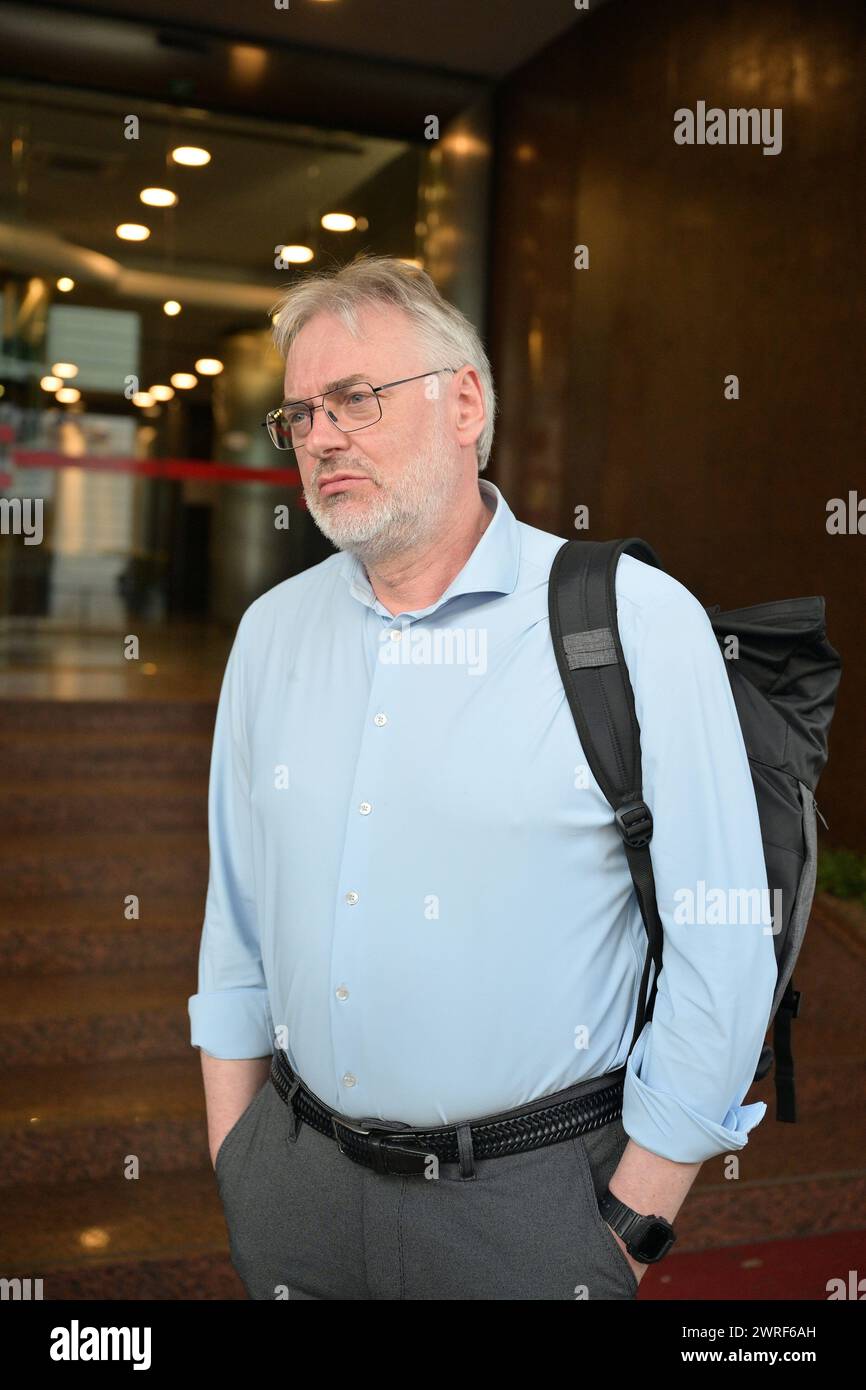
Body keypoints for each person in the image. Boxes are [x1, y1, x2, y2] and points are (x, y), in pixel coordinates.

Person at [188, 253, 777, 1300]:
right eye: (297, 417)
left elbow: (721, 948)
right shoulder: (272, 633)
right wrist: (240, 1160)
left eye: (352, 399)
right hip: (295, 1189)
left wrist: (626, 1219)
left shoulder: (633, 621)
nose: (319, 436)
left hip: (530, 1211)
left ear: (464, 403)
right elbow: (235, 920)